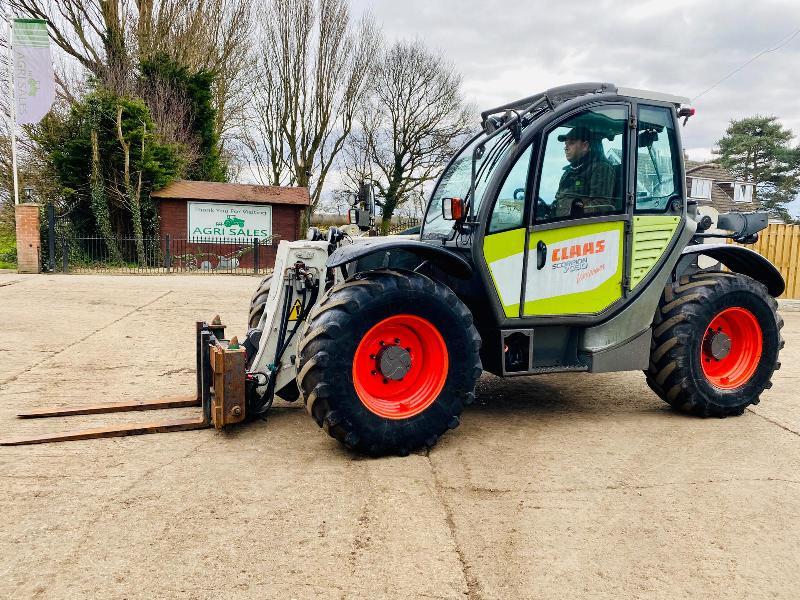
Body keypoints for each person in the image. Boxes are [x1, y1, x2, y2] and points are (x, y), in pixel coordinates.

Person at [550, 126, 616, 218]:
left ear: (585, 146)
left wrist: (572, 213)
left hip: (578, 226)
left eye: (571, 143)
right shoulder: (568, 172)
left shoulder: (601, 168)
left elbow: (601, 206)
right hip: (560, 223)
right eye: (566, 144)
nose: (566, 148)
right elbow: (558, 200)